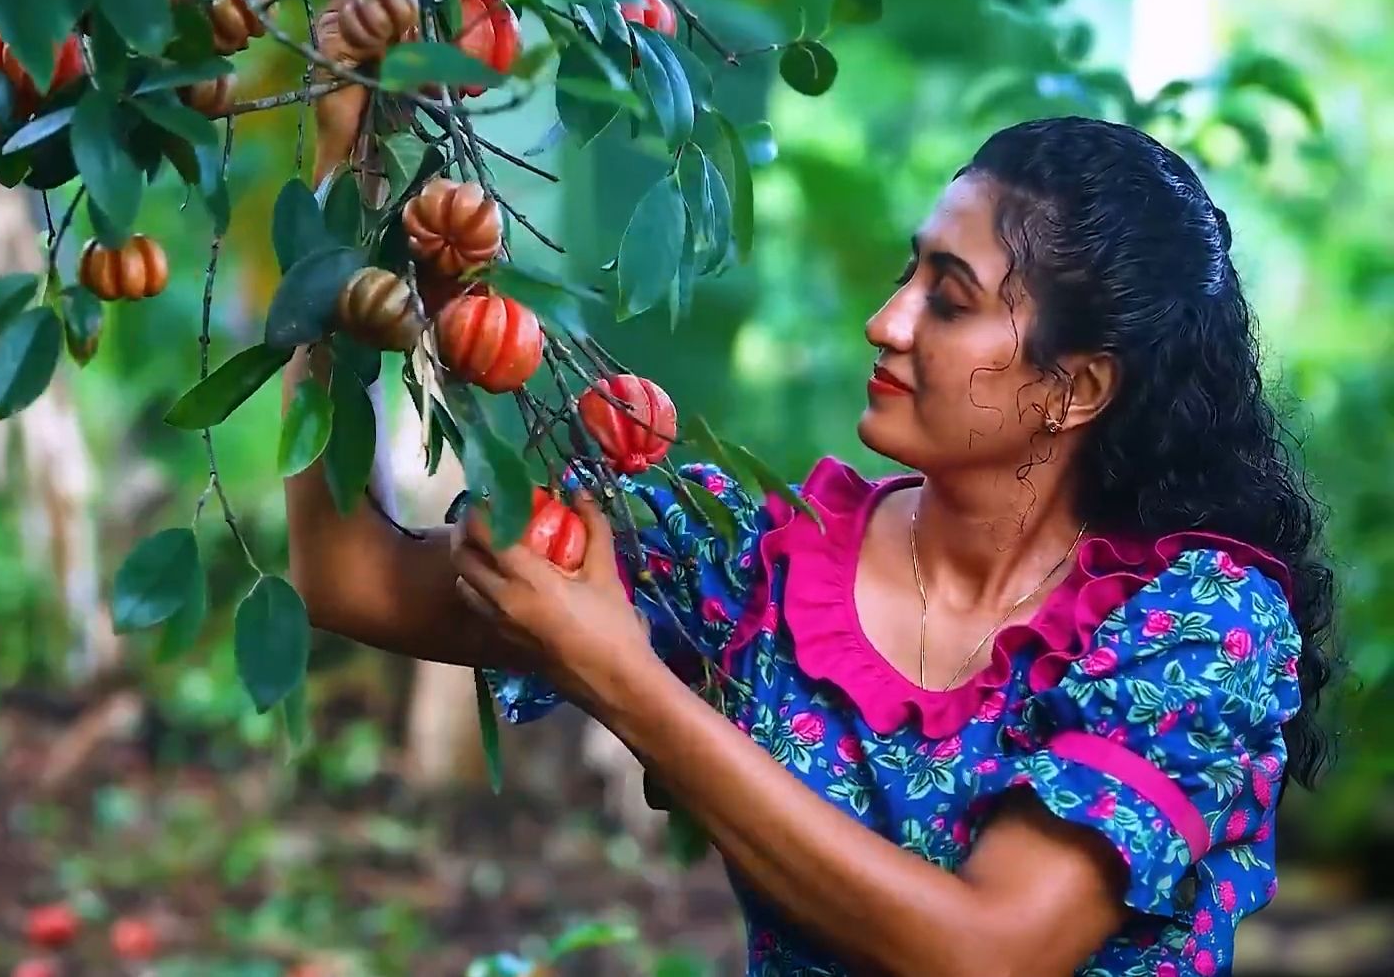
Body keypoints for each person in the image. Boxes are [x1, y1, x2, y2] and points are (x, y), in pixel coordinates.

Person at [282, 116, 1336, 976]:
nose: (886, 320)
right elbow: (347, 577)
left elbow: (990, 952)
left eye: (948, 301)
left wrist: (618, 677)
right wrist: (340, 211)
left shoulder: (1199, 625)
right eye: (907, 275)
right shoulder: (751, 562)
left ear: (1077, 388)